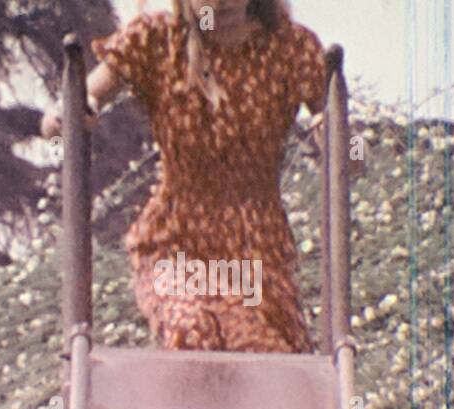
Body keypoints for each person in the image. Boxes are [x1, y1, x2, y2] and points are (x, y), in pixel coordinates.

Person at [42, 0, 328, 353]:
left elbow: (354, 154)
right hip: (174, 242)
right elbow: (65, 113)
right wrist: (67, 117)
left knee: (258, 351)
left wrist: (338, 138)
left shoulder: (292, 48)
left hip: (257, 251)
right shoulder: (156, 39)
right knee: (191, 329)